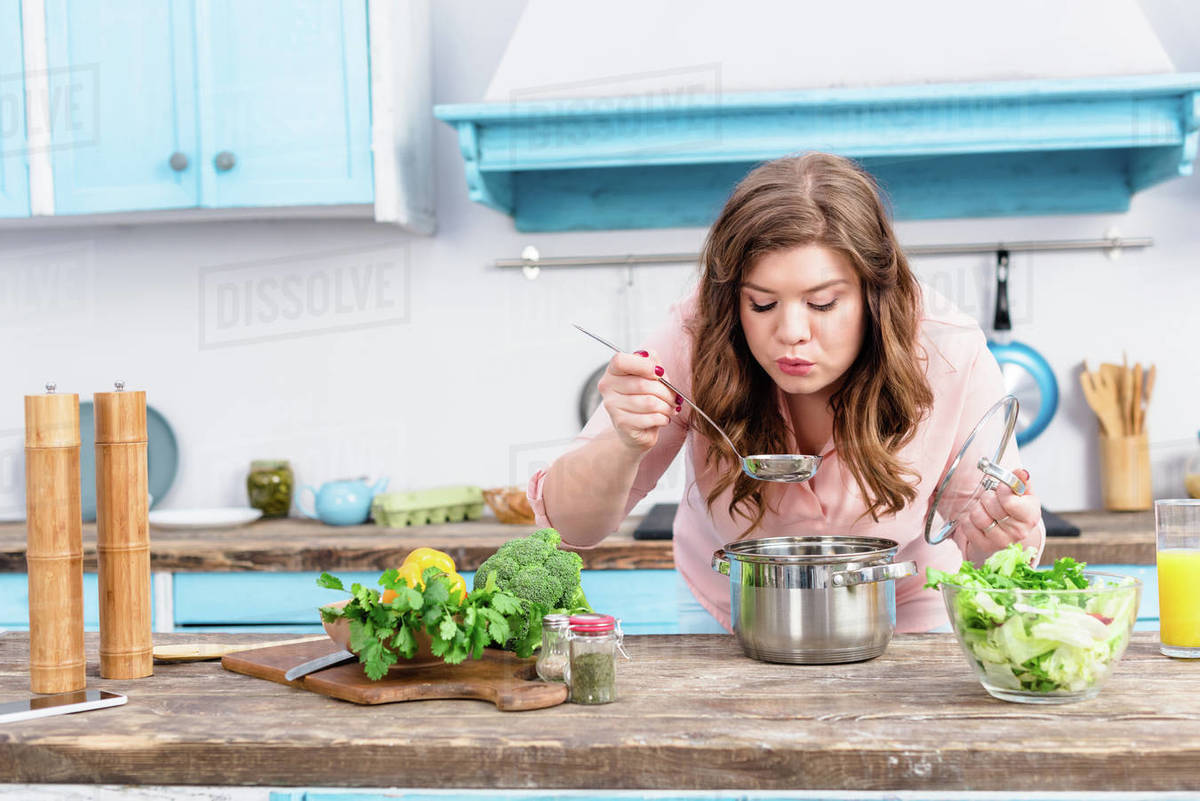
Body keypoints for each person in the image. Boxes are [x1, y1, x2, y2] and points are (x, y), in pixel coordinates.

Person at [527, 153, 1045, 633]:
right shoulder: (697, 331)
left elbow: (987, 546)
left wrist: (1004, 539)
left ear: (874, 294)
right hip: (733, 600)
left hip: (901, 601)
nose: (791, 332)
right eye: (761, 304)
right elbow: (574, 528)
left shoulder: (947, 349)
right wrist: (622, 442)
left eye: (822, 303)